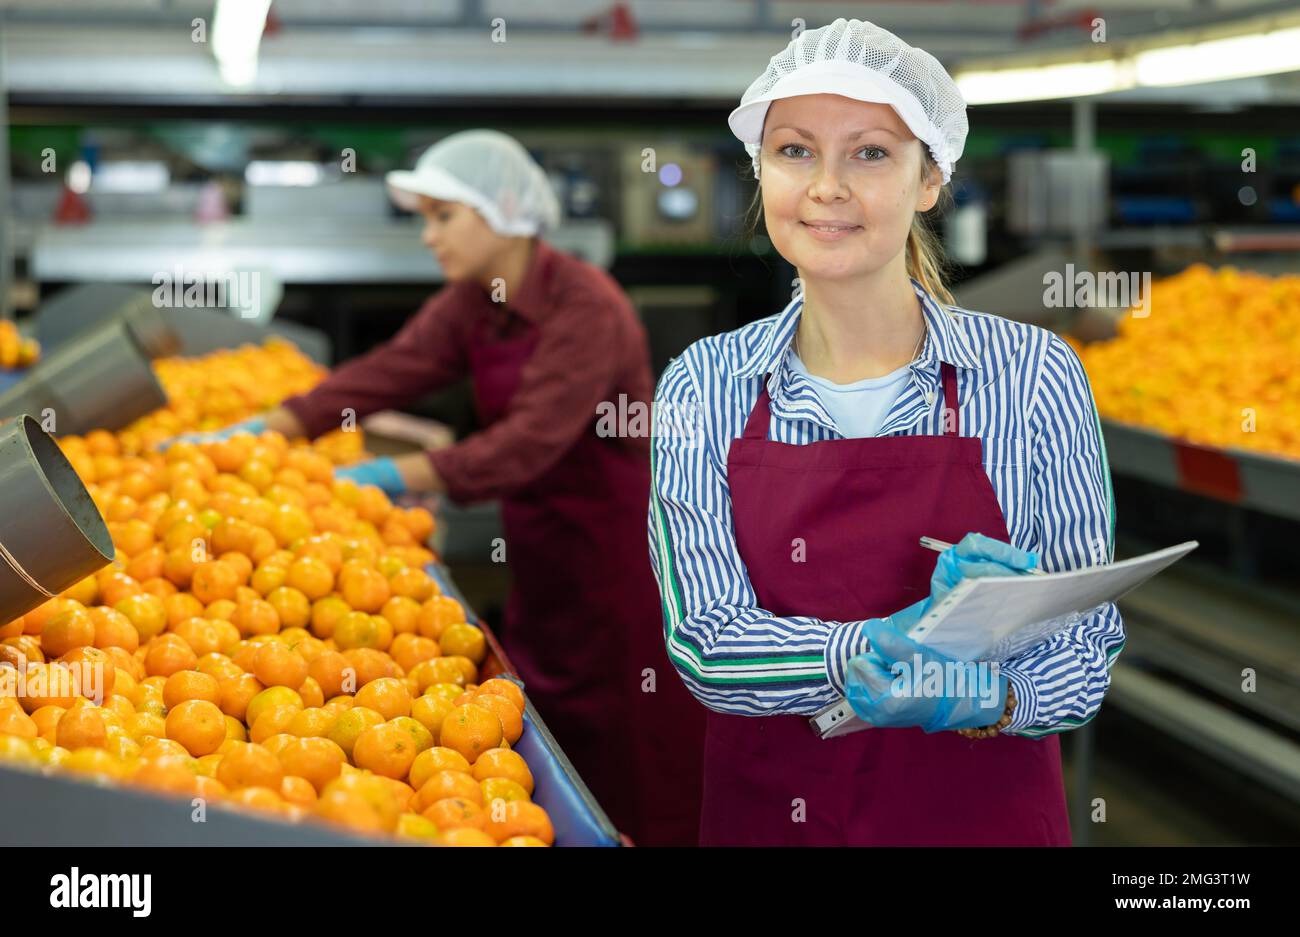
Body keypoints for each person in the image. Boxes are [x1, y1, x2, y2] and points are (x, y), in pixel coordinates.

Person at [647, 19, 1124, 846]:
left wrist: (993, 694)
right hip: (776, 817)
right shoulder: (704, 385)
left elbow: (1087, 640)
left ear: (930, 178)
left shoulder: (1034, 375)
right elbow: (706, 642)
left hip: (986, 819)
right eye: (795, 151)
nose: (827, 185)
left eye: (870, 152)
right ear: (761, 172)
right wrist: (878, 641)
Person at [181, 130, 705, 846]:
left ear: (505, 212)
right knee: (547, 734)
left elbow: (528, 441)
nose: (428, 236)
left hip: (621, 564)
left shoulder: (588, 306)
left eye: (442, 216)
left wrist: (390, 474)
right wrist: (261, 429)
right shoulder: (474, 302)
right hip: (540, 553)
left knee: (627, 755)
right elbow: (387, 371)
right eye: (423, 217)